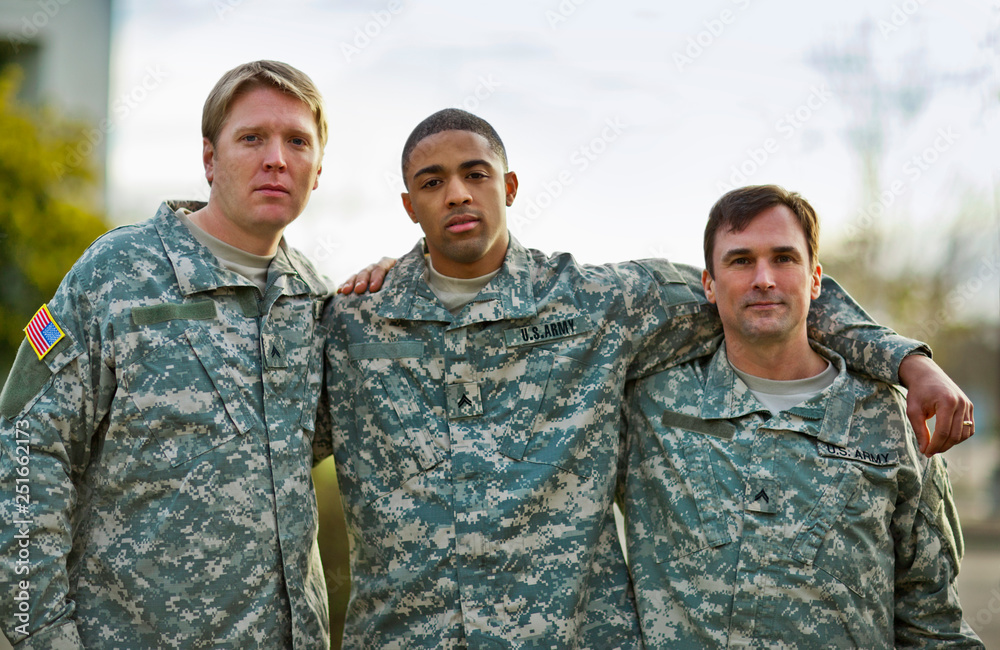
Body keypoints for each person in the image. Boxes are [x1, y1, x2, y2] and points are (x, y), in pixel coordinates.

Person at [318, 108, 973, 648]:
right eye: (432, 182)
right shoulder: (352, 326)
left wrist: (907, 361)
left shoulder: (604, 303)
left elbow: (767, 293)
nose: (457, 193)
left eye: (475, 174)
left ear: (509, 187)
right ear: (409, 204)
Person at [0, 61, 331, 648]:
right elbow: (25, 452)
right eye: (252, 137)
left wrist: (396, 281)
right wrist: (38, 634)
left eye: (297, 141)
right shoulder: (116, 275)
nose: (276, 158)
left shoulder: (317, 302)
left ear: (318, 168)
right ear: (209, 158)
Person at [622, 185, 983, 647]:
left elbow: (933, 623)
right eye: (740, 260)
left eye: (784, 258)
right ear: (708, 285)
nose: (764, 279)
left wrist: (912, 361)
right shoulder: (654, 403)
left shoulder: (892, 420)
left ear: (816, 280)